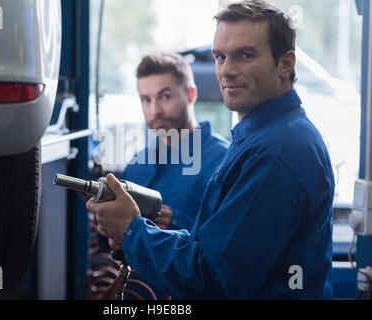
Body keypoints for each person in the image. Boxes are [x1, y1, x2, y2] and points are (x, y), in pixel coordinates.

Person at [87, 0, 335, 299]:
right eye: (220, 57)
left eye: (245, 55)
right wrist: (140, 230)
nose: (226, 70)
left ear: (286, 63)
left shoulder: (275, 153)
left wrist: (132, 230)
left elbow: (213, 280)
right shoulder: (259, 141)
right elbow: (213, 249)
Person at [122, 52, 229, 231]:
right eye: (146, 99)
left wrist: (175, 223)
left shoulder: (225, 162)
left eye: (165, 97)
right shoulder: (136, 164)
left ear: (191, 94)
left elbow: (231, 237)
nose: (155, 110)